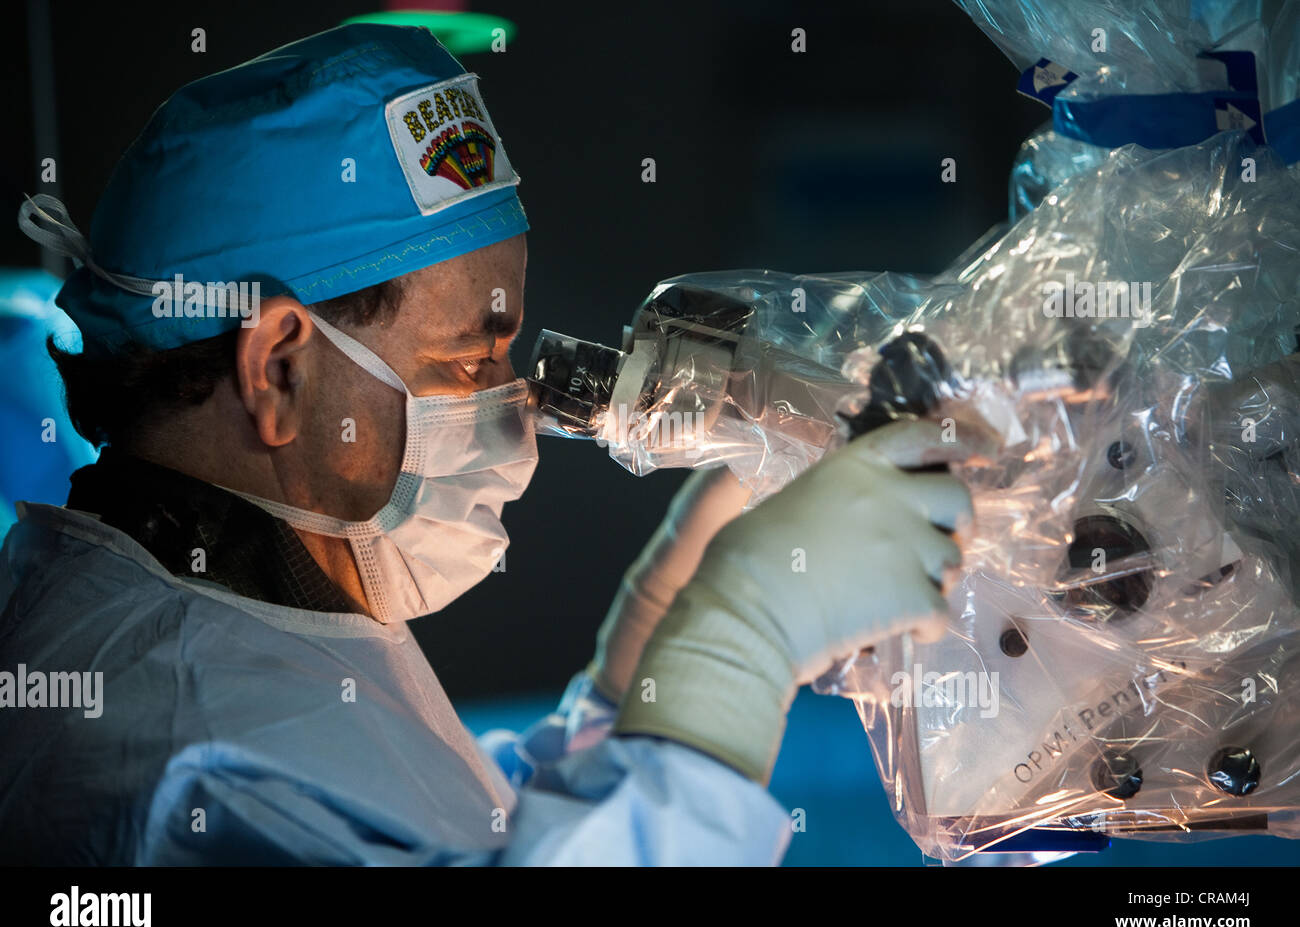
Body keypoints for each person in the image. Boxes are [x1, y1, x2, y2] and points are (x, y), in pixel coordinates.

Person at [0, 24, 986, 865]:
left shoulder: (225, 600)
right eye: (470, 358)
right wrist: (736, 647)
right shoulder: (160, 743)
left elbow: (443, 826)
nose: (520, 409)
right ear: (281, 370)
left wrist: (631, 684)